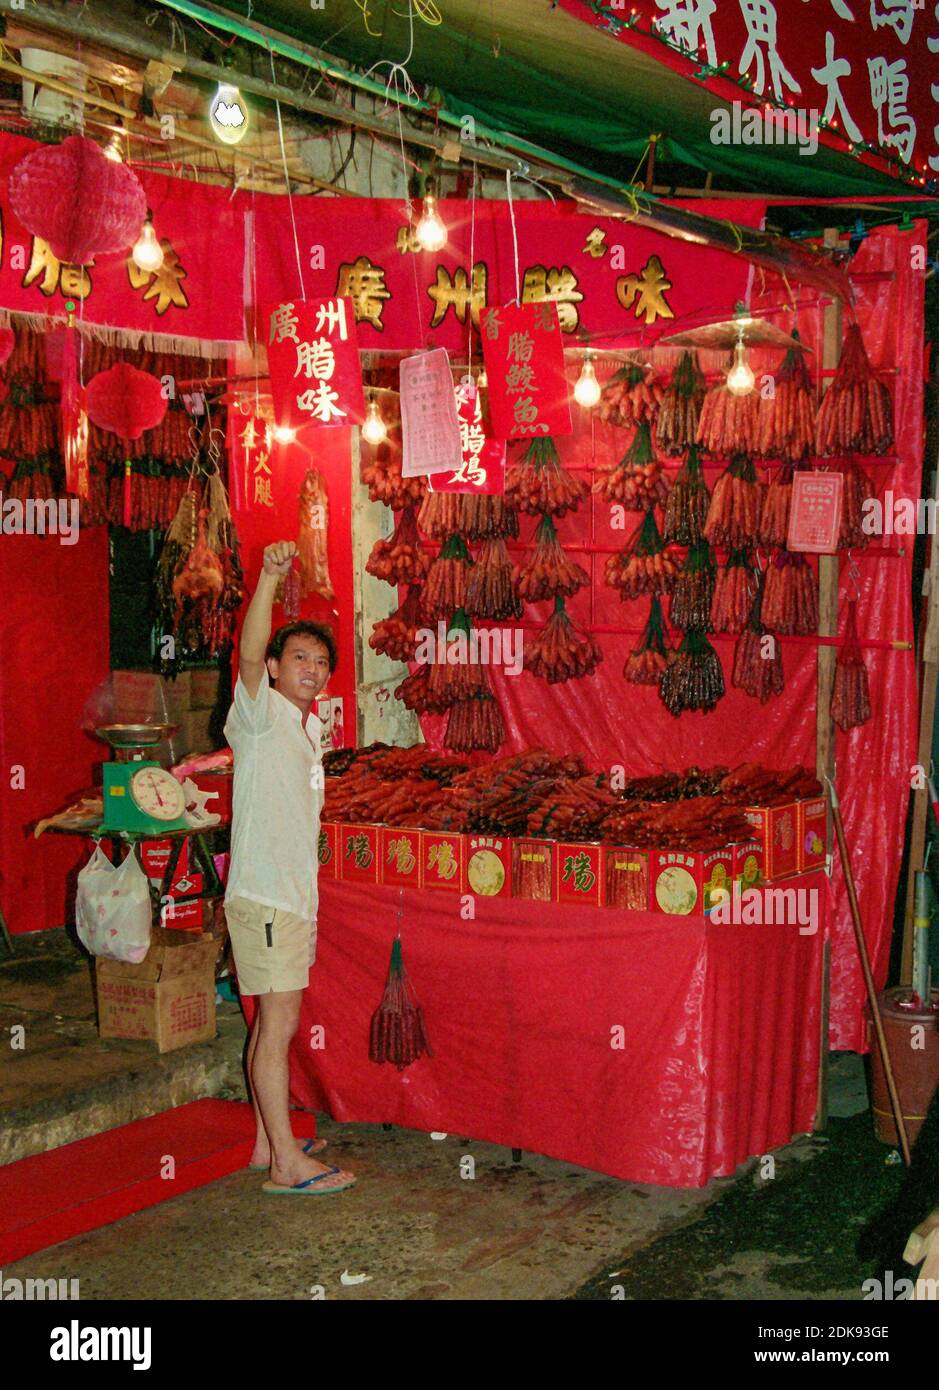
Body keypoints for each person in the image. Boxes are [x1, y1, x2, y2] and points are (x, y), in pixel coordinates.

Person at [224, 539, 355, 1196]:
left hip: (286, 899)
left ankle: (264, 1142)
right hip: (268, 898)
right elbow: (245, 653)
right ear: (274, 667)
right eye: (298, 657)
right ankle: (284, 1166)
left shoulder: (306, 728)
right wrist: (270, 578)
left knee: (267, 1025)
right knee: (277, 1028)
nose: (312, 667)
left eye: (321, 661)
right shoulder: (258, 713)